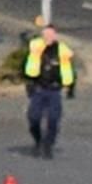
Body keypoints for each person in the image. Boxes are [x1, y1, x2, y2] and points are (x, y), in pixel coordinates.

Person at [23, 19, 76, 159]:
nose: (48, 38)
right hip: (38, 89)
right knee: (33, 118)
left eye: (51, 35)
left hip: (54, 90)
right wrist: (28, 84)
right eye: (45, 35)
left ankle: (48, 145)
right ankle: (38, 140)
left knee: (53, 119)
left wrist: (71, 87)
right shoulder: (36, 49)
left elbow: (69, 71)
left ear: (55, 36)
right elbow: (27, 67)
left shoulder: (61, 51)